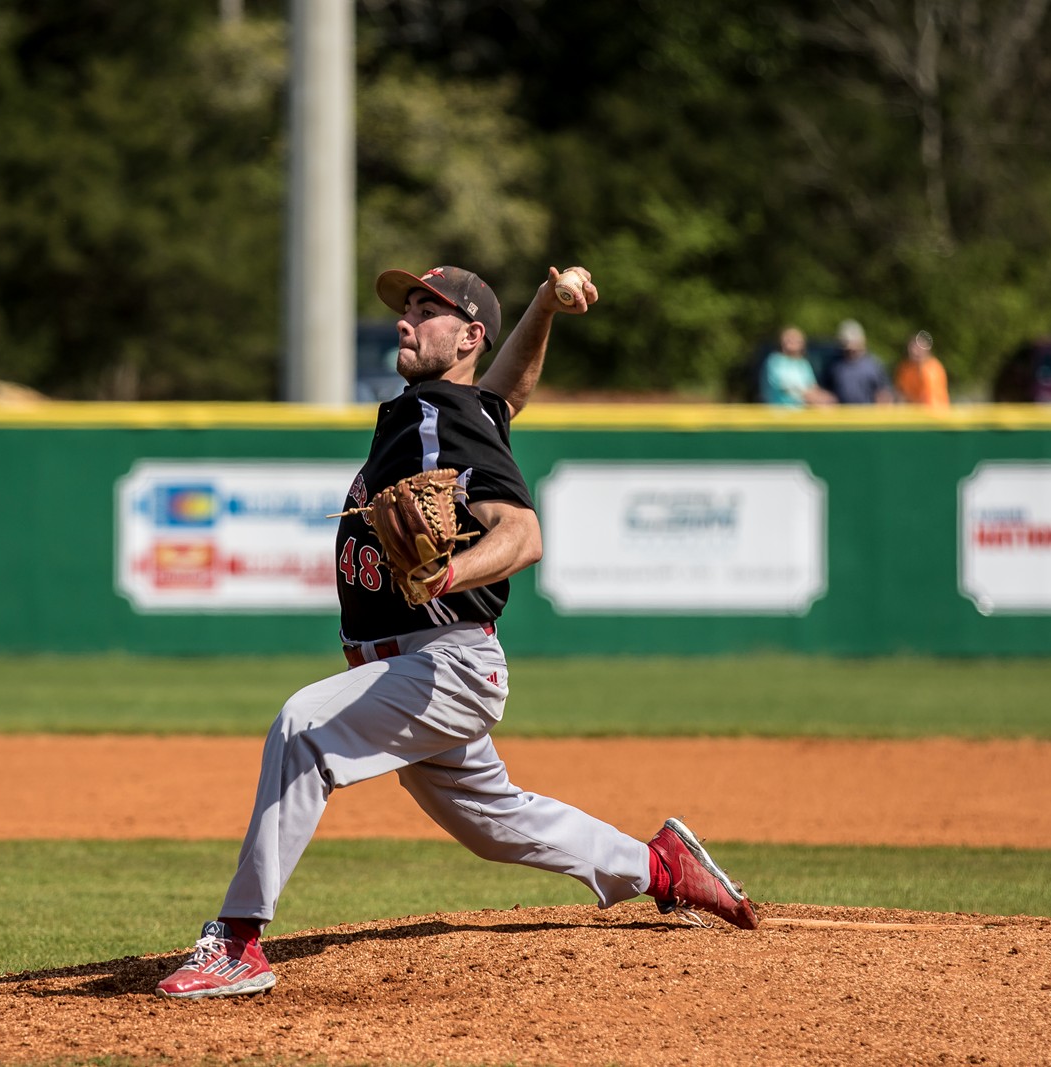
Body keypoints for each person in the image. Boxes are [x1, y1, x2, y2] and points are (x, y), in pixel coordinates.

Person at [155, 264, 760, 999]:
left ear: (469, 334)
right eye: (404, 307)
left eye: (425, 309)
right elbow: (504, 395)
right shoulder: (449, 411)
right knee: (493, 821)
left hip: (447, 664)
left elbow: (524, 533)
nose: (405, 320)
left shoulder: (440, 417)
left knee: (302, 728)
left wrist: (447, 574)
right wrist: (543, 304)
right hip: (421, 669)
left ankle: (238, 942)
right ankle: (662, 865)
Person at [761, 326, 837, 407]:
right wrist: (812, 397)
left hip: (801, 413)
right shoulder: (775, 361)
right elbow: (787, 388)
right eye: (789, 339)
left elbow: (812, 386)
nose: (793, 342)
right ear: (782, 342)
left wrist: (825, 397)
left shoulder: (803, 364)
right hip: (780, 413)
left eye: (796, 340)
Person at [826, 319, 893, 405]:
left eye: (852, 341)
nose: (850, 346)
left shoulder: (874, 364)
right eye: (846, 341)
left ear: (862, 340)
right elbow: (828, 392)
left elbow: (884, 392)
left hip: (868, 415)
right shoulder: (835, 365)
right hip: (842, 416)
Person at [894, 330, 950, 409]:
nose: (913, 352)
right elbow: (902, 393)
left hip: (934, 413)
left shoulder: (933, 369)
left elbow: (928, 397)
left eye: (917, 348)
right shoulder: (906, 368)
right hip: (914, 415)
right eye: (911, 348)